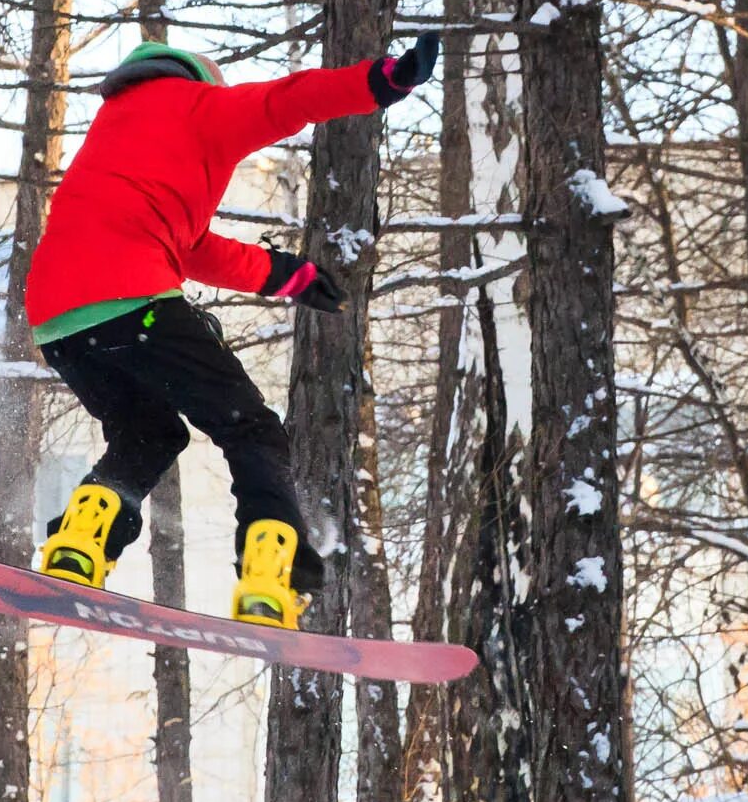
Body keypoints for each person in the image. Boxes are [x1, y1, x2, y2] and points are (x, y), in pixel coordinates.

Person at [24, 31, 440, 628]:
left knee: (147, 435)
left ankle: (80, 545)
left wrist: (287, 276)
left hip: (59, 321)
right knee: (251, 428)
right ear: (199, 79)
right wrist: (383, 81)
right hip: (135, 300)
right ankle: (270, 574)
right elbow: (287, 100)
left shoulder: (112, 127)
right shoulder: (199, 106)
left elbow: (188, 246)